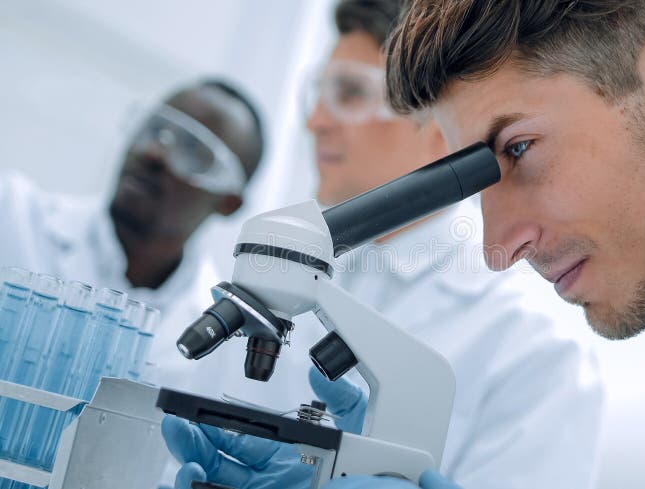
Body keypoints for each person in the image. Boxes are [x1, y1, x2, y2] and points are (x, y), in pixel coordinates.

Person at [162, 1, 604, 489]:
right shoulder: (294, 281)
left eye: (349, 94)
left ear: (440, 130)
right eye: (319, 94)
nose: (316, 124)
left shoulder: (533, 349)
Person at [0, 78, 274, 404]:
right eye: (155, 129)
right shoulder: (13, 215)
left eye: (192, 152)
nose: (154, 152)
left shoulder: (224, 339)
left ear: (229, 203)